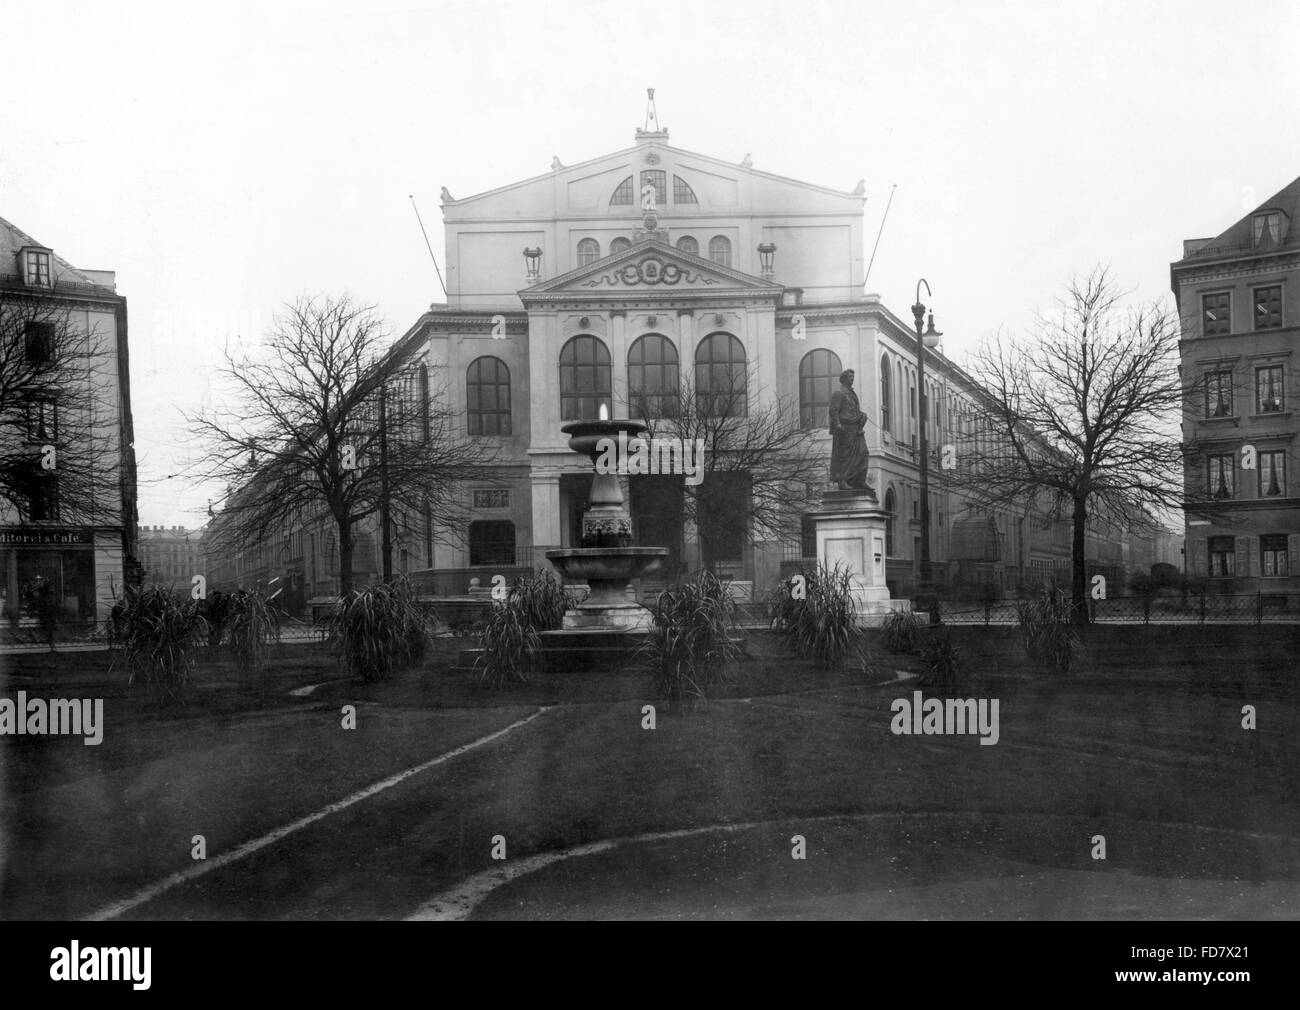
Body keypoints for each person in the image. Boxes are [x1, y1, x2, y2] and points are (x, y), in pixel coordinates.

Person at [828, 369, 871, 492]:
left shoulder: (852, 394)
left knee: (864, 452)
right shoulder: (838, 393)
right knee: (844, 456)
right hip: (844, 429)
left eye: (853, 377)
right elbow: (833, 410)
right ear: (844, 378)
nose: (852, 379)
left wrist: (861, 415)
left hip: (856, 427)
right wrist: (837, 424)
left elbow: (854, 410)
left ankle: (859, 480)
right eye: (850, 377)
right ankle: (842, 480)